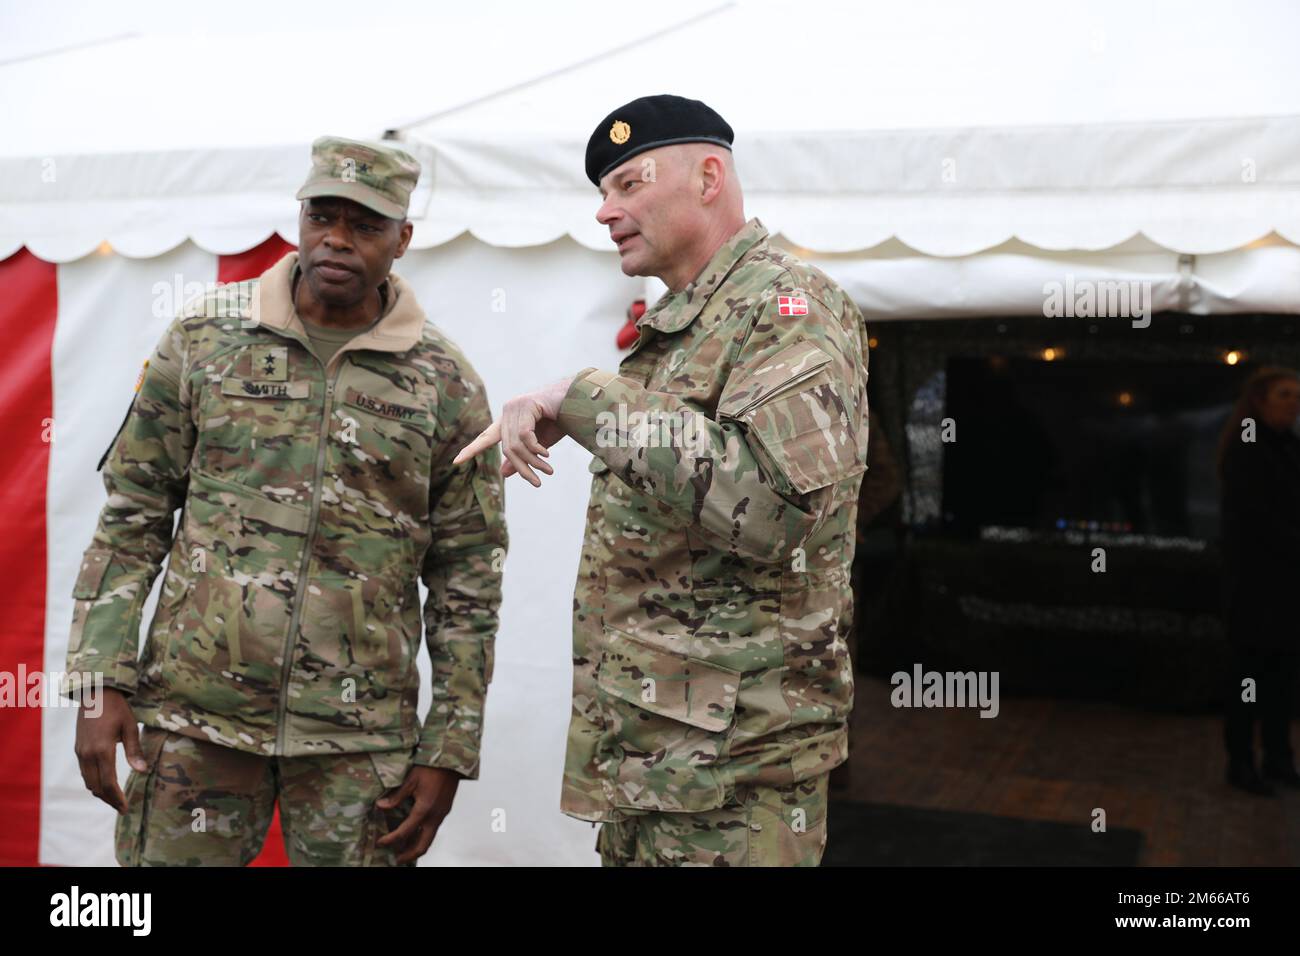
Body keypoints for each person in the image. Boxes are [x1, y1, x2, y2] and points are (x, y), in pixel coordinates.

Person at [64, 136, 508, 865]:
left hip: (360, 745)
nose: (336, 239)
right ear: (299, 215)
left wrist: (451, 743)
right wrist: (97, 681)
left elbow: (468, 575)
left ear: (403, 238)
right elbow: (132, 518)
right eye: (321, 215)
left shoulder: (443, 380)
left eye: (364, 224)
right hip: (193, 722)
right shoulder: (207, 339)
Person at [456, 94, 871, 866]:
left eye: (628, 184)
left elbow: (774, 510)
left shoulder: (790, 307)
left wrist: (585, 398)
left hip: (737, 778)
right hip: (662, 757)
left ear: (709, 176)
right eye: (602, 193)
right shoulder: (688, 324)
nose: (606, 212)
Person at [1217, 366, 1300, 796]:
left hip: (1283, 583)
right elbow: (1254, 516)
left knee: (1280, 675)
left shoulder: (1285, 445)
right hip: (1255, 582)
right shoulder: (1250, 446)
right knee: (1249, 674)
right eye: (1285, 394)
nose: (1293, 402)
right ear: (1260, 400)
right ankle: (1243, 761)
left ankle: (1277, 756)